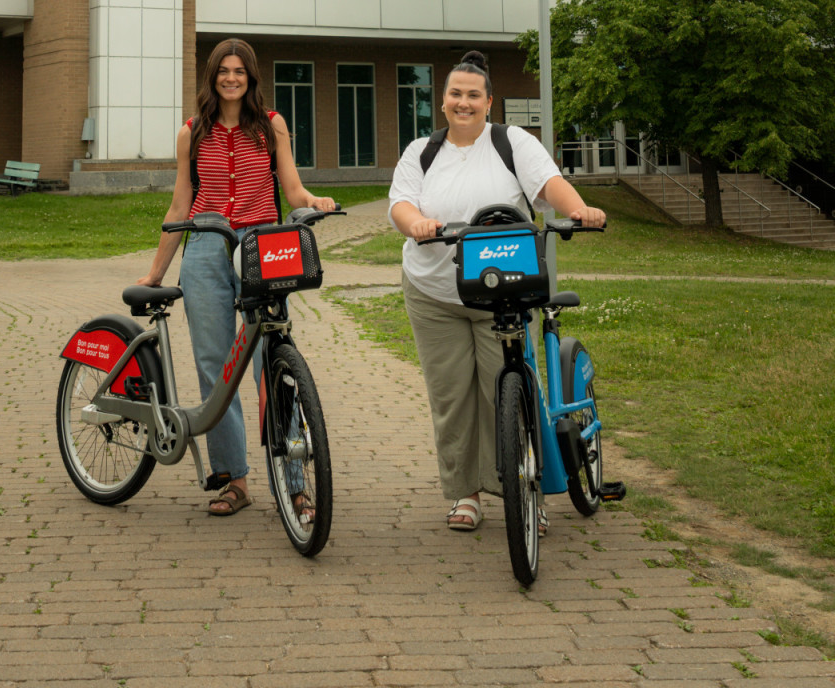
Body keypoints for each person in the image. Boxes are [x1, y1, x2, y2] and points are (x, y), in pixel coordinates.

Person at [388, 48, 605, 533]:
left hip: (503, 292)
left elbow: (549, 183)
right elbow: (400, 203)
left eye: (473, 95)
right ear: (442, 101)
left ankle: (525, 490)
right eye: (455, 94)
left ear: (489, 101)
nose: (463, 102)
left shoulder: (512, 142)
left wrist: (579, 209)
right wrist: (416, 223)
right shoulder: (421, 151)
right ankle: (465, 494)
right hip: (434, 292)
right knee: (451, 399)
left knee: (512, 392)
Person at [136, 37, 336, 517]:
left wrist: (313, 201)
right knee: (215, 365)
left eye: (239, 71)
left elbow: (291, 187)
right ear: (212, 77)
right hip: (205, 246)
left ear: (250, 77)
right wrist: (155, 273)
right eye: (223, 71)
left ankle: (295, 484)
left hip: (261, 246)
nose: (231, 78)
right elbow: (180, 203)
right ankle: (234, 480)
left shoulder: (271, 125)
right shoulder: (191, 133)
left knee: (274, 362)